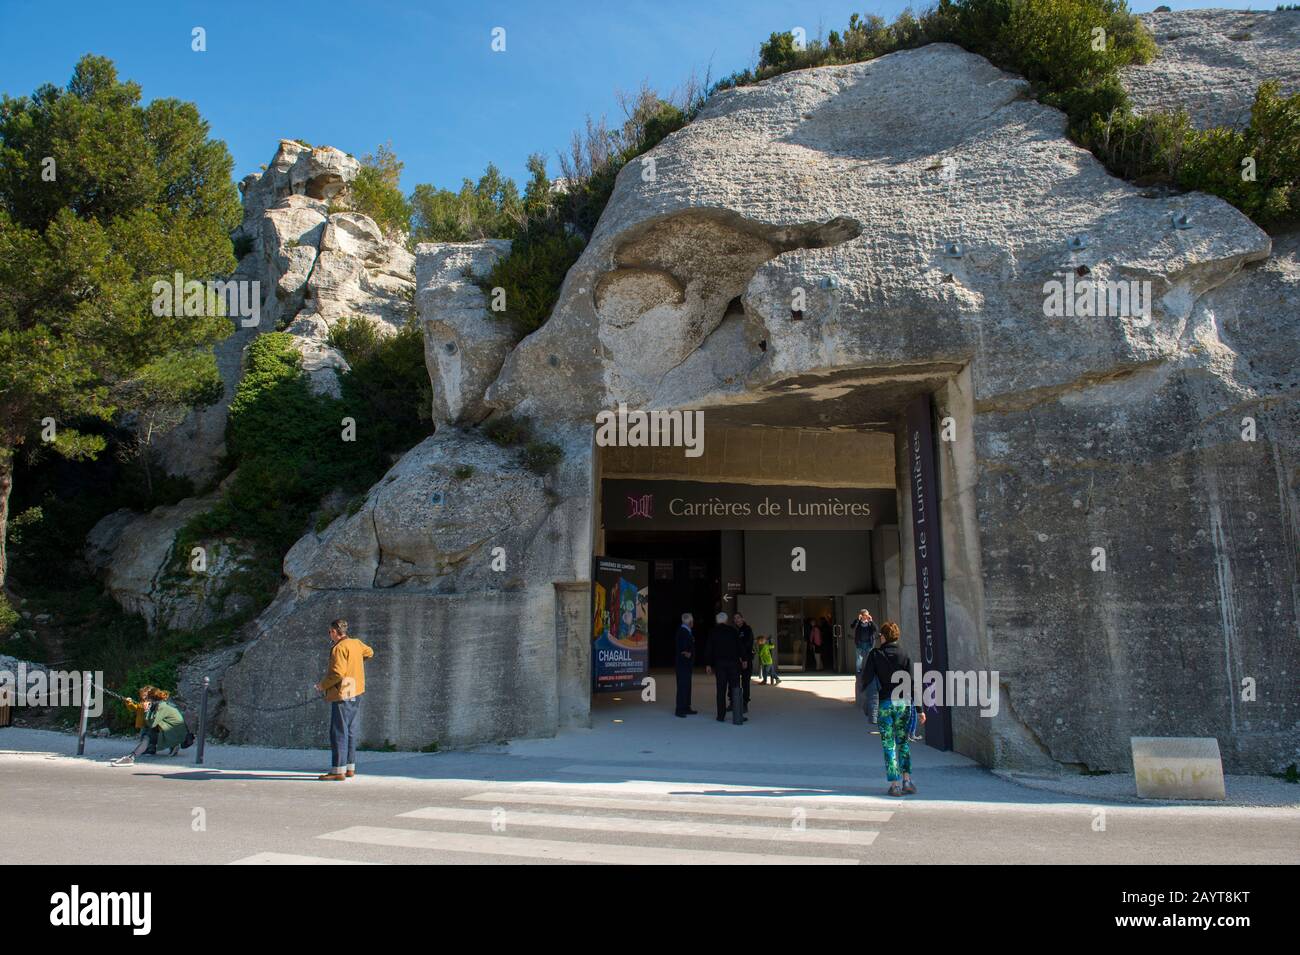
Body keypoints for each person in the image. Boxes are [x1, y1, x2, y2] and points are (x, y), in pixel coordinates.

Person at [857, 620, 925, 797]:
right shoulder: (905, 654)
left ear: (885, 636)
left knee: (888, 744)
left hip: (885, 703)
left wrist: (864, 691)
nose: (879, 637)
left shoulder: (875, 654)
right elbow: (912, 684)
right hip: (903, 704)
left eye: (880, 634)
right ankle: (907, 780)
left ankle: (895, 785)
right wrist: (919, 709)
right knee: (903, 742)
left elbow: (866, 678)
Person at [315, 618, 375, 781]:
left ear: (335, 632)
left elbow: (337, 673)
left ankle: (337, 771)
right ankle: (350, 768)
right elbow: (370, 652)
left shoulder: (339, 648)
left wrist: (322, 686)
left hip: (343, 693)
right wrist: (355, 662)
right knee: (350, 730)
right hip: (356, 690)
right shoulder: (356, 643)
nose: (329, 634)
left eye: (330, 632)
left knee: (338, 731)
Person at [110, 687, 188, 766]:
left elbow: (152, 723)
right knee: (148, 734)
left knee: (148, 735)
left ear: (152, 699)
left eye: (147, 698)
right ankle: (131, 757)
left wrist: (146, 711)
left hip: (177, 734)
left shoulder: (162, 707)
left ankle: (131, 757)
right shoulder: (160, 704)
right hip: (172, 731)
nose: (145, 700)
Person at [705, 611, 744, 725]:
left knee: (721, 690)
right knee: (735, 688)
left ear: (717, 621)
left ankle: (720, 716)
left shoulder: (713, 632)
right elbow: (739, 646)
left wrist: (708, 664)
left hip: (720, 664)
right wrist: (744, 659)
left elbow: (709, 648)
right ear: (726, 620)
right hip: (733, 664)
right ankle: (737, 715)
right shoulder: (733, 631)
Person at [851, 609, 880, 722]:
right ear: (861, 615)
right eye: (863, 616)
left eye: (866, 616)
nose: (865, 618)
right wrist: (857, 620)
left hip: (869, 643)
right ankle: (858, 670)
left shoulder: (870, 623)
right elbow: (852, 626)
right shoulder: (858, 622)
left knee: (868, 658)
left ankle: (868, 668)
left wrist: (871, 621)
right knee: (859, 658)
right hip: (860, 643)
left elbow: (876, 629)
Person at [674, 612, 698, 718]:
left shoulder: (686, 631)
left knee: (687, 686)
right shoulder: (683, 632)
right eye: (692, 621)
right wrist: (688, 653)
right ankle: (680, 709)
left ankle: (686, 707)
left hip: (685, 664)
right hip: (683, 664)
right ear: (690, 622)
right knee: (683, 686)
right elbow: (684, 648)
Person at [733, 612, 755, 708]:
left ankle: (745, 703)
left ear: (743, 619)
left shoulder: (747, 629)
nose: (737, 620)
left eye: (738, 618)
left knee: (745, 682)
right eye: (735, 618)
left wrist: (744, 658)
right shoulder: (734, 630)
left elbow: (747, 645)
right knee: (734, 681)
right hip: (736, 660)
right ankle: (734, 702)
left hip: (746, 659)